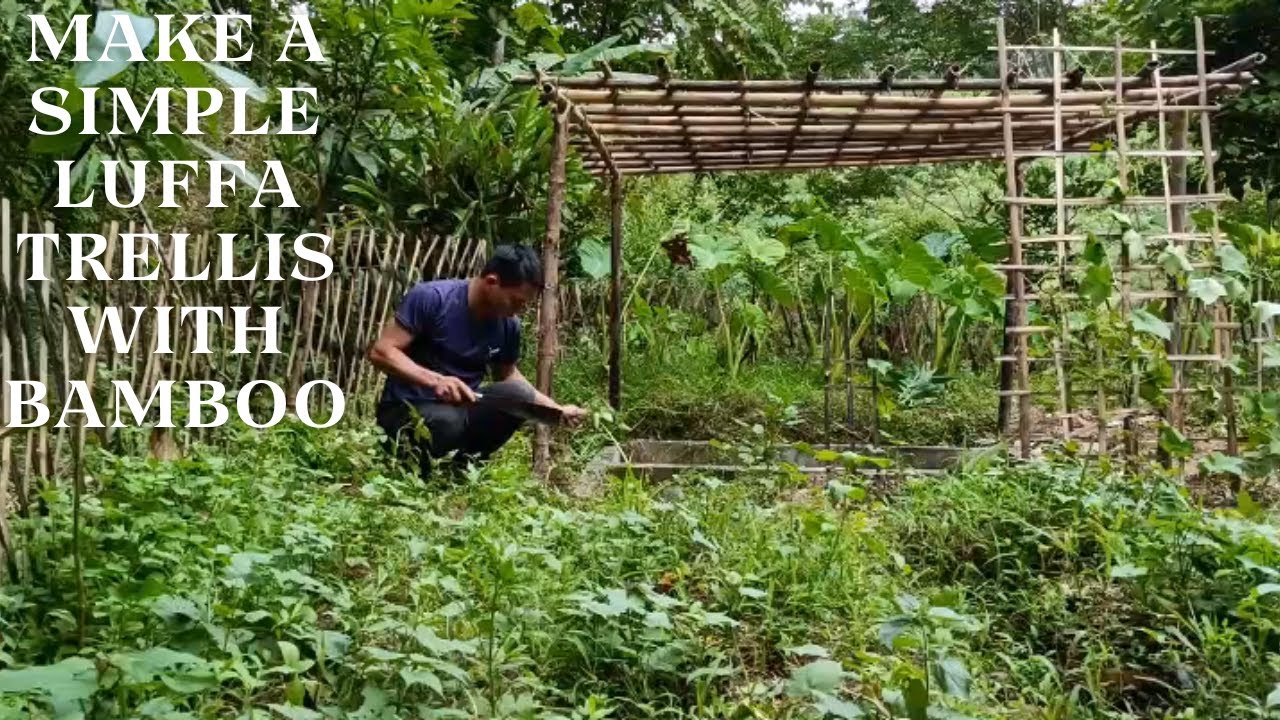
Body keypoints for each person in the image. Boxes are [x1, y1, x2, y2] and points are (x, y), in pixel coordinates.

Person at [368, 244, 588, 478]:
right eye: (516, 301)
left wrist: (555, 410)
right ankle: (415, 472)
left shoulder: (508, 325)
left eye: (525, 304)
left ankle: (460, 472)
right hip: (407, 411)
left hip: (462, 412)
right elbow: (381, 351)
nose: (519, 311)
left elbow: (509, 376)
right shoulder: (433, 298)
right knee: (449, 420)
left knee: (517, 395)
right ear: (492, 282)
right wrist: (436, 381)